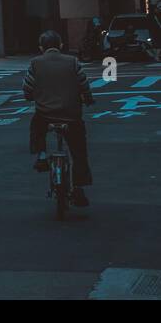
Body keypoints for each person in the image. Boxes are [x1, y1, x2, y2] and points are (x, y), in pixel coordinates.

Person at [23, 30, 94, 206]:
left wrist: (31, 96)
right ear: (61, 45)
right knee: (79, 151)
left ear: (41, 47)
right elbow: (83, 83)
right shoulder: (72, 61)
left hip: (45, 113)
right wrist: (88, 98)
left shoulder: (35, 63)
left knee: (36, 125)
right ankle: (78, 187)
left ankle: (41, 155)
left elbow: (27, 87)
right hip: (71, 114)